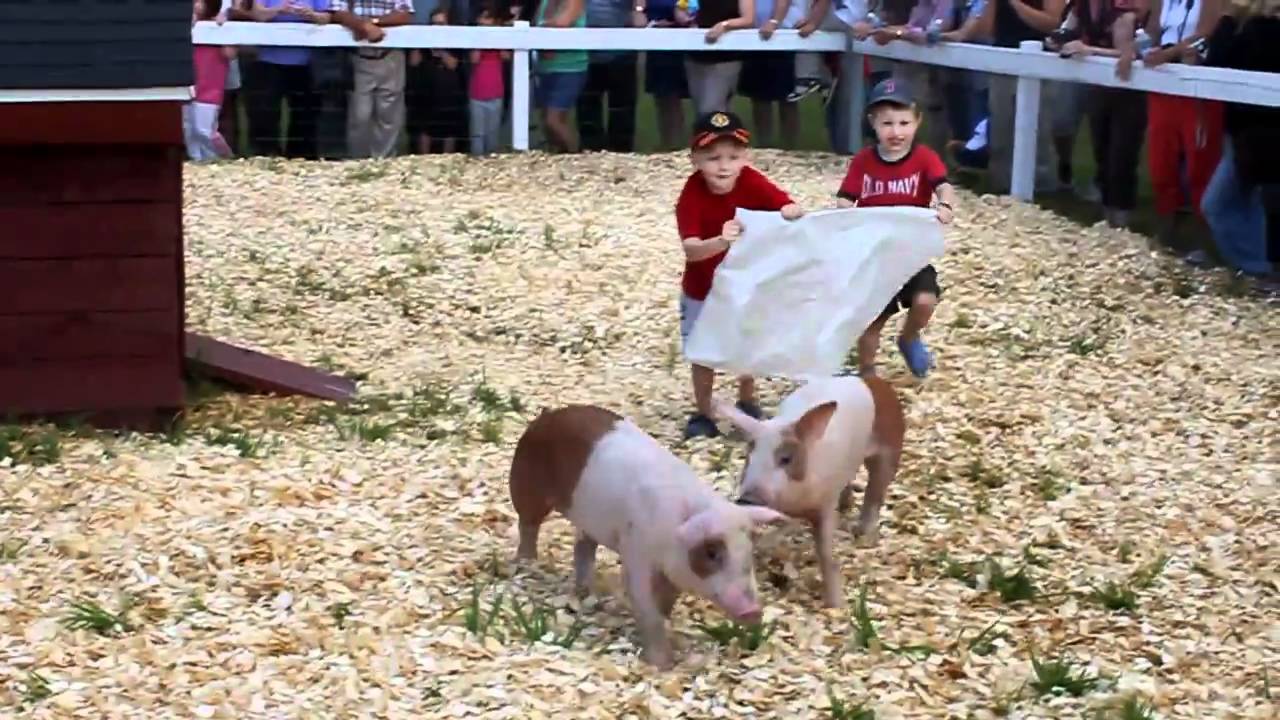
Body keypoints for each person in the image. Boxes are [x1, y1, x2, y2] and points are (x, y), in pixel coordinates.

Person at [675, 111, 805, 438]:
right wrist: (721, 241)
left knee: (747, 344)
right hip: (702, 289)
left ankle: (748, 399)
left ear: (745, 157)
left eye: (733, 157)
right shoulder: (690, 196)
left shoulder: (751, 180)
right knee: (702, 353)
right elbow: (691, 250)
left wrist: (789, 210)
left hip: (745, 286)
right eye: (712, 157)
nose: (724, 166)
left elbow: (786, 206)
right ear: (694, 159)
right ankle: (704, 412)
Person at [834, 79, 956, 378]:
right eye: (887, 123)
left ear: (917, 122)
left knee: (926, 300)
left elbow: (943, 186)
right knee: (871, 320)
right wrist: (843, 217)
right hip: (875, 256)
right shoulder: (864, 161)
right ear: (873, 123)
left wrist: (945, 206)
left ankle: (909, 337)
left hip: (911, 252)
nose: (896, 131)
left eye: (904, 123)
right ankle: (867, 372)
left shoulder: (924, 157)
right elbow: (845, 198)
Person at [1194, 0, 1278, 292]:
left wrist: (1232, 20)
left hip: (1262, 133)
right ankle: (1258, 269)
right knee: (1236, 203)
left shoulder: (1262, 29)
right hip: (1245, 132)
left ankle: (1258, 270)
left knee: (1222, 203)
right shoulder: (1249, 26)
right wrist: (1229, 21)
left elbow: (1224, 61)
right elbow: (1216, 62)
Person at [942, 0, 1068, 195]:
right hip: (1002, 59)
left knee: (1038, 130)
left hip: (1041, 61)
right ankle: (1000, 186)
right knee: (1000, 128)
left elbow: (1052, 23)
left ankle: (1044, 189)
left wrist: (1015, 3)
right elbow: (987, 30)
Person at [1046, 0, 1147, 229]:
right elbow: (1065, 30)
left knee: (1121, 158)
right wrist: (1058, 41)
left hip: (1127, 93)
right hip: (1099, 88)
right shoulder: (1079, 8)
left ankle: (1120, 224)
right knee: (1101, 154)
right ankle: (1107, 220)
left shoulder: (1121, 13)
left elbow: (1125, 54)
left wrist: (1089, 50)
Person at [1141, 0, 1225, 246]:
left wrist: (1168, 54)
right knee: (1161, 158)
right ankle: (1166, 227)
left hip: (1198, 83)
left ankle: (1204, 239)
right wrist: (1133, 48)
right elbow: (1151, 32)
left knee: (1200, 162)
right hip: (1164, 81)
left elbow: (1204, 34)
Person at [243, 0, 332, 160]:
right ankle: (266, 155)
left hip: (305, 62)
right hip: (268, 61)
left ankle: (300, 157)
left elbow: (326, 17)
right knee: (265, 113)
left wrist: (311, 15)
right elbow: (257, 14)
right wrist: (278, 9)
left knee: (305, 115)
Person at [330, 0, 416, 159]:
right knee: (359, 115)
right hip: (359, 56)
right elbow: (337, 12)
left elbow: (405, 14)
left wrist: (374, 23)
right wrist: (362, 26)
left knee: (389, 114)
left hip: (390, 54)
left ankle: (385, 161)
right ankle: (359, 161)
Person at [577, 0, 643, 152]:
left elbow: (639, 5)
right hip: (586, 54)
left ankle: (621, 157)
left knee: (622, 112)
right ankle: (589, 159)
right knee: (588, 113)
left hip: (622, 53)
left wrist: (638, 11)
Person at [534, 0, 589, 152]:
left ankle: (576, 157)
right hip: (546, 68)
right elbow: (537, 25)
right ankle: (559, 158)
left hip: (569, 67)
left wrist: (542, 30)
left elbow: (562, 23)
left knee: (554, 120)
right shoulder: (545, 2)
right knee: (546, 123)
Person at [683, 0, 756, 115]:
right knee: (703, 113)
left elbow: (748, 19)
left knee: (710, 110)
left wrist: (724, 25)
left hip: (725, 57)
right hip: (695, 55)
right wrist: (683, 16)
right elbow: (684, 7)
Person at [187, 0, 236, 162]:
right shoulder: (187, 25)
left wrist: (222, 31)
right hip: (188, 87)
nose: (197, 5)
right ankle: (197, 160)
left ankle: (224, 158)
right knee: (188, 129)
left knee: (205, 130)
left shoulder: (221, 25)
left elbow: (230, 54)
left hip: (210, 89)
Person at [643, 0, 694, 150]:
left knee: (675, 97)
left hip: (682, 45)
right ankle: (667, 144)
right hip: (657, 45)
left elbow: (693, 13)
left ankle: (678, 145)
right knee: (662, 97)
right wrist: (652, 23)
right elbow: (640, 13)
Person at [469, 1, 512, 155]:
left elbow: (507, 56)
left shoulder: (501, 40)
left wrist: (496, 39)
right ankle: (476, 163)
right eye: (481, 18)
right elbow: (474, 59)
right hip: (477, 93)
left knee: (493, 134)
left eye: (487, 18)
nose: (483, 22)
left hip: (496, 93)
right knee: (477, 133)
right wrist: (481, 40)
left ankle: (492, 166)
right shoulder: (474, 40)